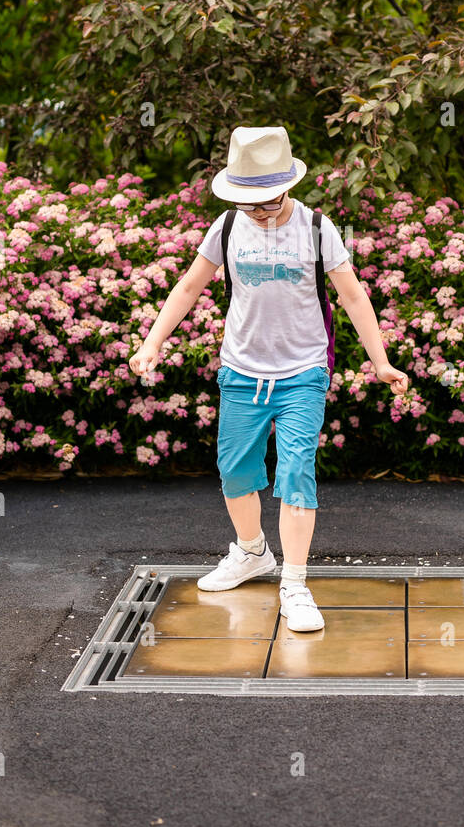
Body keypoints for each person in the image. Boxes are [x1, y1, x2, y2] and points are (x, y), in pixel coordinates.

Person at [129, 125, 408, 632]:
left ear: (289, 186)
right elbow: (190, 287)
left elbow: (352, 296)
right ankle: (252, 552)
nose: (258, 212)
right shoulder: (228, 228)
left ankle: (295, 585)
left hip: (303, 371)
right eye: (247, 203)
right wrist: (152, 342)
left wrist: (380, 360)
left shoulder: (318, 229)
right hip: (241, 370)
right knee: (234, 470)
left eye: (267, 201)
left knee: (297, 471)